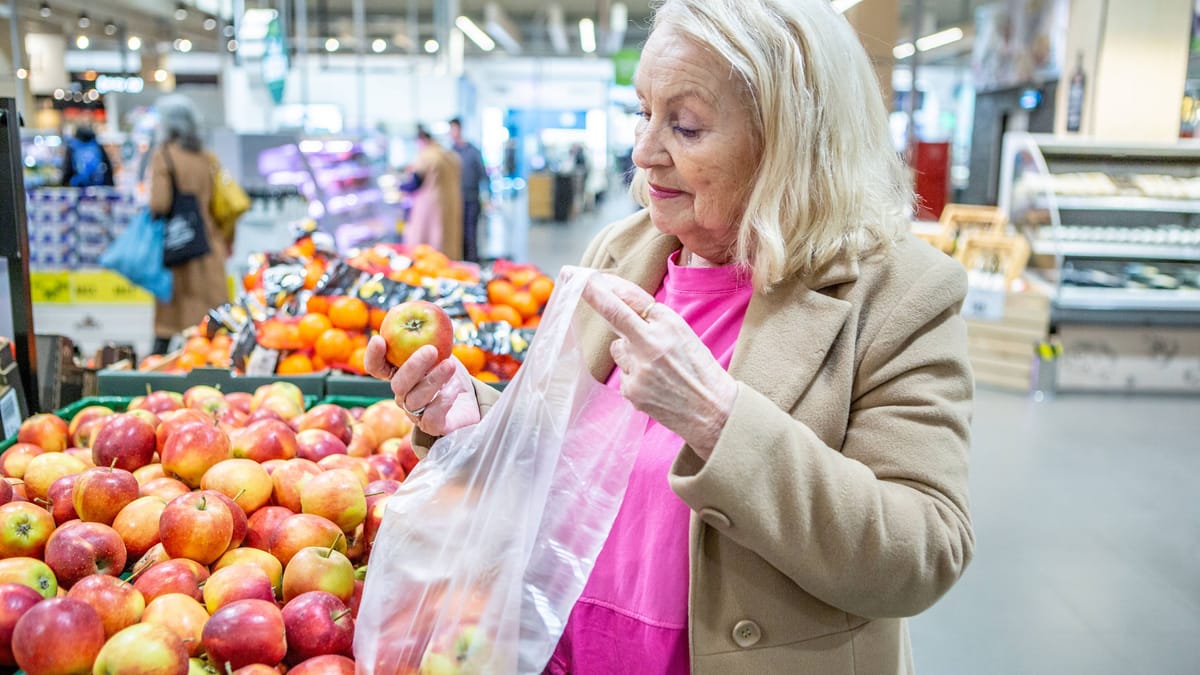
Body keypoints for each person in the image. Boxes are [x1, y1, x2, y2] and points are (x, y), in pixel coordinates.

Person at [364, 1, 974, 673]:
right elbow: (571, 457)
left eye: (684, 125)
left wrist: (718, 419)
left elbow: (922, 551)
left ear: (790, 141)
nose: (643, 150)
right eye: (643, 112)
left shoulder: (899, 294)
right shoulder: (619, 253)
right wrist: (479, 420)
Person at [147, 95, 229, 356]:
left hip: (179, 250)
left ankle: (157, 366)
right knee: (212, 328)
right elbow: (221, 203)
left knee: (169, 325)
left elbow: (159, 203)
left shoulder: (164, 155)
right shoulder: (206, 157)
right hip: (209, 245)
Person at [401, 126, 463, 260]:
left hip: (430, 205)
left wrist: (399, 186)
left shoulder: (427, 155)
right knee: (446, 239)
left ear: (422, 140)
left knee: (430, 240)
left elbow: (416, 182)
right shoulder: (450, 155)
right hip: (450, 203)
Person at [448, 117, 488, 262]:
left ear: (460, 129)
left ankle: (472, 263)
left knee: (470, 233)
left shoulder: (473, 152)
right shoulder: (450, 153)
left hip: (471, 199)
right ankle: (459, 264)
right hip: (455, 201)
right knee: (456, 234)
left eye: (454, 129)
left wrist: (487, 197)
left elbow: (483, 175)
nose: (452, 133)